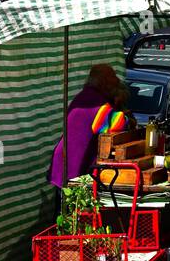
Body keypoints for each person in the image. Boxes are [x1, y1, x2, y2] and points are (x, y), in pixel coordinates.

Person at [47, 63, 126, 195]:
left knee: (64, 208)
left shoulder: (84, 96)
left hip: (64, 162)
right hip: (72, 166)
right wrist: (126, 114)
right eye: (113, 80)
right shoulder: (97, 103)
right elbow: (118, 124)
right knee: (71, 210)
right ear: (106, 83)